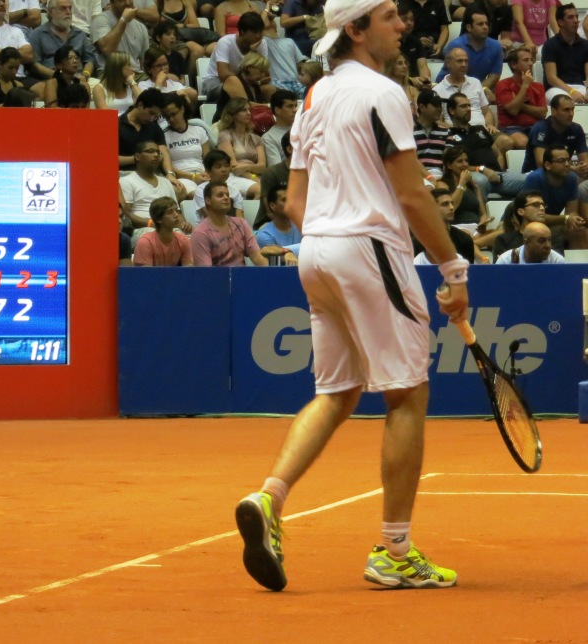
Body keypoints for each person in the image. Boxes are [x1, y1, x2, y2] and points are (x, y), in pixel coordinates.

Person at [235, 0, 467, 593]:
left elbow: (293, 202)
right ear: (356, 30)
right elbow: (414, 197)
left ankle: (269, 497)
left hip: (316, 250)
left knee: (335, 392)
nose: (403, 24)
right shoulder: (383, 92)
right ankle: (395, 550)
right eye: (389, 16)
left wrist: (334, 235)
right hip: (368, 249)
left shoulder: (315, 96)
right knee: (407, 395)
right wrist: (453, 270)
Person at [444, 93, 526, 199]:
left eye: (469, 105)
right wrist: (483, 169)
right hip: (473, 175)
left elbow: (498, 154)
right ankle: (483, 215)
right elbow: (455, 166)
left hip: (497, 175)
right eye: (463, 106)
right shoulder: (449, 135)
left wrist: (498, 171)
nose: (468, 109)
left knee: (529, 180)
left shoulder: (480, 129)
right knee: (479, 181)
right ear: (452, 111)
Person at [120, 141, 187, 246]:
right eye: (150, 152)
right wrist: (152, 223)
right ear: (137, 157)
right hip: (142, 229)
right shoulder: (127, 181)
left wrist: (184, 224)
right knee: (163, 237)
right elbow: (126, 215)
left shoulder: (165, 181)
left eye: (158, 152)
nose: (156, 155)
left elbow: (176, 211)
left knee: (193, 237)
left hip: (168, 226)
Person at [191, 181, 267, 266]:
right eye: (220, 195)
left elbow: (256, 256)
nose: (226, 198)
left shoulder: (241, 224)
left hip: (242, 277)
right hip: (217, 278)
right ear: (208, 200)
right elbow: (206, 272)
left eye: (227, 195)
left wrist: (271, 273)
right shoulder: (200, 232)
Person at [435, 8, 503, 100]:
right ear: (468, 27)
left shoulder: (496, 46)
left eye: (487, 23)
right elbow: (449, 77)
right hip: (450, 89)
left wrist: (475, 90)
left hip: (477, 90)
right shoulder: (456, 46)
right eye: (480, 24)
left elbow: (494, 77)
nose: (485, 27)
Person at [198, 12, 266, 101]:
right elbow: (223, 75)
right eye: (254, 32)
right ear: (242, 31)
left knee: (270, 90)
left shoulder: (262, 43)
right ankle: (252, 108)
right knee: (235, 86)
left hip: (247, 82)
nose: (258, 36)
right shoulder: (225, 42)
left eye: (260, 32)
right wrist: (251, 53)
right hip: (215, 81)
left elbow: (265, 74)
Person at [29, 0, 96, 82]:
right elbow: (34, 65)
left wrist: (85, 75)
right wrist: (60, 76)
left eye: (70, 8)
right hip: (50, 80)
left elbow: (89, 60)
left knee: (100, 89)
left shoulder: (79, 34)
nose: (68, 12)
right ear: (51, 11)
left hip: (79, 79)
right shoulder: (38, 34)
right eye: (63, 8)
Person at [494, 46, 546, 150]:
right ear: (513, 65)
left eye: (531, 60)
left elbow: (543, 113)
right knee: (523, 142)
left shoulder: (538, 86)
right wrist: (525, 86)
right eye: (526, 60)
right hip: (511, 128)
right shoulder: (503, 84)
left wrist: (520, 105)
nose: (530, 63)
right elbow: (513, 110)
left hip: (535, 127)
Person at [412, 188, 485, 263]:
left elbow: (468, 272)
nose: (451, 207)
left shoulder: (464, 240)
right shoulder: (419, 241)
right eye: (445, 204)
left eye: (452, 203)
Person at [522, 94, 588, 173]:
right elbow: (542, 163)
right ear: (554, 111)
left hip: (563, 174)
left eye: (572, 110)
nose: (571, 114)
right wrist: (574, 169)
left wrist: (584, 167)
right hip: (536, 175)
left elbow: (585, 159)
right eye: (566, 110)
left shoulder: (576, 129)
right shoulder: (540, 128)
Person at [163, 94, 211, 192]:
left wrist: (207, 173)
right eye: (167, 117)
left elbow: (208, 157)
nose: (171, 120)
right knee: (199, 195)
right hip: (182, 178)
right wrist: (192, 177)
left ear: (182, 109)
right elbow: (168, 167)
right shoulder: (164, 136)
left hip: (203, 174)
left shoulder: (199, 130)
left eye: (173, 114)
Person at [541, 3, 588, 104]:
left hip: (580, 87)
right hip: (556, 88)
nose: (576, 21)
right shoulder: (550, 45)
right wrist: (571, 92)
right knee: (564, 101)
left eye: (576, 16)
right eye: (570, 17)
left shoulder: (585, 45)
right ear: (560, 22)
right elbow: (551, 78)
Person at [192, 149, 258, 219]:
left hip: (232, 227)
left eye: (226, 166)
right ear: (208, 171)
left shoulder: (234, 190)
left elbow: (240, 218)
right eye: (218, 167)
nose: (224, 170)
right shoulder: (201, 190)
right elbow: (210, 216)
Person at [91, 0, 151, 74]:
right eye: (122, 0)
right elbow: (107, 49)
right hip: (111, 73)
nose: (128, 3)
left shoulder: (141, 27)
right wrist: (123, 20)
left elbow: (144, 61)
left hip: (136, 74)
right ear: (112, 3)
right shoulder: (101, 19)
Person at [133, 197, 194, 265]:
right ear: (159, 219)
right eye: (170, 212)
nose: (176, 215)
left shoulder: (183, 240)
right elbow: (145, 274)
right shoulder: (145, 242)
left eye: (176, 210)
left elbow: (189, 272)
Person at [216, 97, 266, 179]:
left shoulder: (256, 138)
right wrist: (254, 177)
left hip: (256, 176)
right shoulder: (224, 136)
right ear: (233, 114)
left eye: (249, 110)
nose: (248, 113)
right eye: (244, 110)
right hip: (235, 176)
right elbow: (234, 166)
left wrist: (247, 167)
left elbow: (262, 166)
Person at [254, 186, 300, 265]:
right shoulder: (265, 234)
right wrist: (286, 252)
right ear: (273, 206)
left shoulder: (302, 226)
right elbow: (268, 253)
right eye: (284, 200)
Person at [256, 130, 291, 227]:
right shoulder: (272, 173)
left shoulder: (310, 171)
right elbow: (271, 212)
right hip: (271, 224)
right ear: (289, 149)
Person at [413, 89, 450, 177]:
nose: (440, 109)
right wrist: (429, 178)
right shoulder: (408, 131)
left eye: (440, 105)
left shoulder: (446, 132)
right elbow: (410, 160)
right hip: (416, 176)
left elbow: (449, 161)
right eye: (435, 105)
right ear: (421, 107)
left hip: (441, 176)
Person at [495, 221, 566, 262]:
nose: (548, 246)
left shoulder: (557, 261)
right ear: (526, 242)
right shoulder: (506, 260)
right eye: (542, 241)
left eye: (549, 240)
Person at [261, 89, 297, 166]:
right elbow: (276, 169)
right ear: (277, 110)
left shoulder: (304, 128)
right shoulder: (269, 137)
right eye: (290, 106)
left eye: (295, 106)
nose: (295, 110)